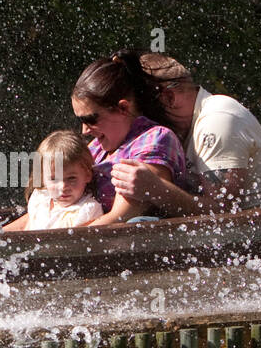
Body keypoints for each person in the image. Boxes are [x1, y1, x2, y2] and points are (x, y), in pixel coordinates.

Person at [107, 49, 261, 215]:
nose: (140, 126)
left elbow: (223, 212)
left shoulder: (217, 121)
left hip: (257, 239)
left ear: (169, 98)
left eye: (142, 114)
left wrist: (156, 190)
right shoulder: (186, 125)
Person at [69, 56, 188, 226]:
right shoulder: (96, 148)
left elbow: (115, 219)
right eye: (81, 120)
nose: (85, 130)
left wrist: (46, 247)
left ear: (123, 108)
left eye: (91, 119)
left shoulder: (155, 139)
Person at [1, 130, 104, 231]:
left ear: (87, 175)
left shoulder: (87, 210)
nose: (63, 186)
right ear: (42, 178)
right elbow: (27, 227)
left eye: (71, 178)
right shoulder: (40, 199)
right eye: (54, 179)